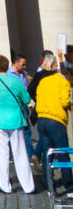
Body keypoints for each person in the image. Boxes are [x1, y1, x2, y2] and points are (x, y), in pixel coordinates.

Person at [0, 55, 34, 195]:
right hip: (15, 121)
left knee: (2, 154)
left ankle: (5, 186)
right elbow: (26, 99)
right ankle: (28, 186)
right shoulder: (15, 80)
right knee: (20, 154)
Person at [31, 54, 72, 195]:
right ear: (55, 65)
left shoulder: (43, 82)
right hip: (56, 120)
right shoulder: (62, 81)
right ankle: (69, 186)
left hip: (42, 119)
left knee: (47, 154)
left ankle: (50, 186)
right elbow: (65, 102)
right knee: (62, 153)